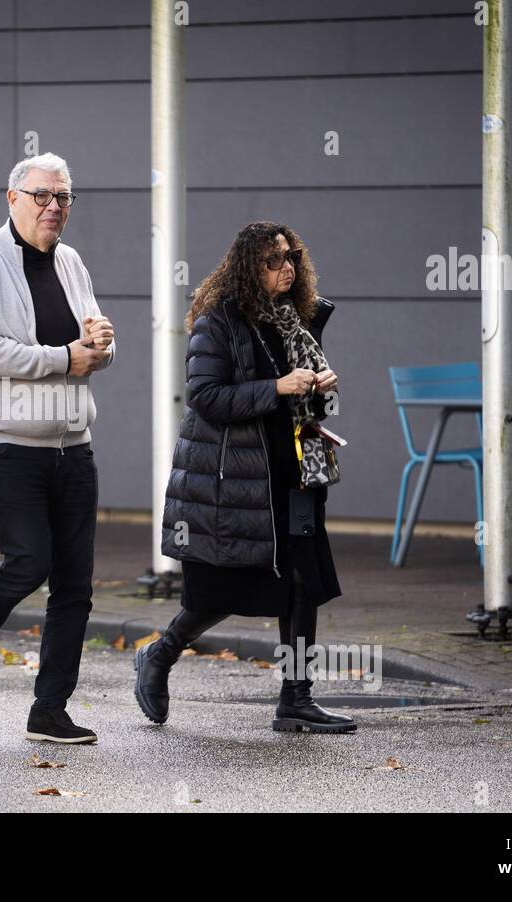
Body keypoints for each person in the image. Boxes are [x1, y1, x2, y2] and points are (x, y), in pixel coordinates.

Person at [136, 220, 356, 734]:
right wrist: (277, 386)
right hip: (236, 480)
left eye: (291, 258)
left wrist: (322, 388)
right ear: (248, 269)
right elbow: (206, 398)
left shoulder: (298, 321)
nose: (286, 268)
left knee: (303, 582)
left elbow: (310, 403)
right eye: (273, 261)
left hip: (295, 471)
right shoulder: (219, 321)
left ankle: (296, 699)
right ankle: (158, 657)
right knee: (218, 593)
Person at [0, 152, 116, 744]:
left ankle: (49, 709)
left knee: (76, 584)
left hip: (72, 440)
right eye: (42, 196)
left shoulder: (72, 262)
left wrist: (102, 344)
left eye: (63, 197)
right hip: (5, 441)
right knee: (28, 561)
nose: (54, 207)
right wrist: (63, 357)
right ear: (12, 198)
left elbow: (88, 343)